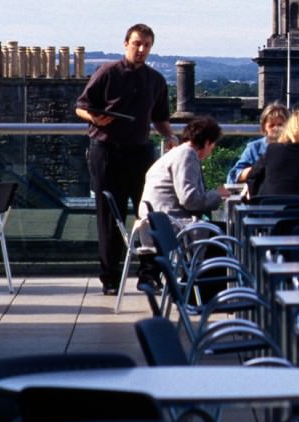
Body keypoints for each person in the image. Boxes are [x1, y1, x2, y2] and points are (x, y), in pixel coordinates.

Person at [75, 23, 176, 295]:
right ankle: (109, 278)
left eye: (146, 45)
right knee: (109, 215)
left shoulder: (155, 80)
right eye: (137, 44)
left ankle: (148, 273)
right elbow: (81, 107)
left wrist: (171, 137)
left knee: (148, 212)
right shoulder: (107, 72)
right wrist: (96, 118)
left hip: (141, 151)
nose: (141, 49)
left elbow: (160, 118)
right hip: (106, 150)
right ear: (126, 44)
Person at [135, 115, 227, 291]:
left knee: (221, 229)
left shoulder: (176, 153)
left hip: (156, 223)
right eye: (213, 145)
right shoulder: (187, 155)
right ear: (207, 142)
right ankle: (205, 290)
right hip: (171, 225)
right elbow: (191, 200)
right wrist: (218, 194)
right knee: (226, 232)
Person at [228, 103, 289, 184]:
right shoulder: (254, 148)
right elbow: (233, 176)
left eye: (280, 125)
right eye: (272, 125)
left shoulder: (295, 147)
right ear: (264, 127)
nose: (276, 129)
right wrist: (257, 170)